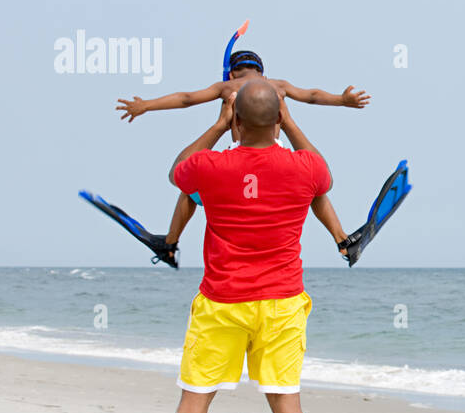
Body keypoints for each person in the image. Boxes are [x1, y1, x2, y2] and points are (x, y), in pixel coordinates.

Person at [146, 80, 334, 413]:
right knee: (286, 401)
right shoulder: (306, 168)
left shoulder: (210, 166)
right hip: (282, 303)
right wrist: (289, 124)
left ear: (235, 121)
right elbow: (323, 168)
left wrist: (216, 126)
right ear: (278, 121)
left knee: (195, 398)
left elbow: (177, 170)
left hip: (222, 301)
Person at [115, 49, 367, 264]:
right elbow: (311, 96)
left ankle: (169, 244)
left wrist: (146, 105)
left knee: (189, 189)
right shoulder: (277, 85)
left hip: (239, 159)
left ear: (232, 73)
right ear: (263, 74)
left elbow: (186, 99)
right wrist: (342, 100)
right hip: (276, 157)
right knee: (314, 188)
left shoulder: (227, 86)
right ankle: (342, 240)